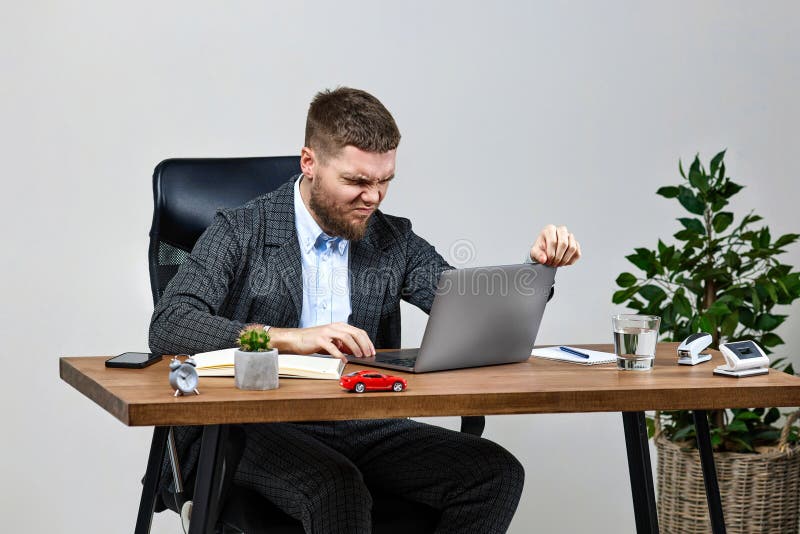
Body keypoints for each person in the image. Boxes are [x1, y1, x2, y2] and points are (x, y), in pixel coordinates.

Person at [149, 87, 581, 533]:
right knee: (337, 488)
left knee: (493, 474)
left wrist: (537, 271)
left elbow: (467, 306)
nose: (373, 197)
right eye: (357, 181)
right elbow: (170, 324)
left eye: (385, 181)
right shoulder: (240, 230)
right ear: (309, 162)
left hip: (357, 418)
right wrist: (287, 338)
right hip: (250, 425)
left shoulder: (392, 240)